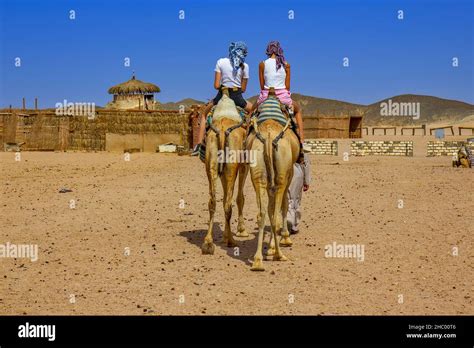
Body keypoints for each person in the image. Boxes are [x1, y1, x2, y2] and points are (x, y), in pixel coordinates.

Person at [191, 41, 253, 156]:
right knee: (254, 112)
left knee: (204, 115)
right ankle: (248, 144)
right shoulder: (245, 66)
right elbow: (243, 89)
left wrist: (224, 87)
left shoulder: (221, 62)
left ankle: (198, 145)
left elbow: (216, 85)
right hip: (237, 97)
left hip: (221, 96)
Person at [252, 41, 305, 154]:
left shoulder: (262, 64)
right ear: (279, 50)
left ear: (268, 51)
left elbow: (262, 86)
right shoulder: (286, 65)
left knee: (250, 113)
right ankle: (301, 140)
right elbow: (287, 87)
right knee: (298, 110)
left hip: (266, 96)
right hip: (282, 97)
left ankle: (245, 141)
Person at [287, 151, 311, 234]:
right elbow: (306, 164)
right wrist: (307, 181)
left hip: (284, 173)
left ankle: (288, 222)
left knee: (288, 199)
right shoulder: (301, 145)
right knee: (296, 200)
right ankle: (294, 225)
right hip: (298, 173)